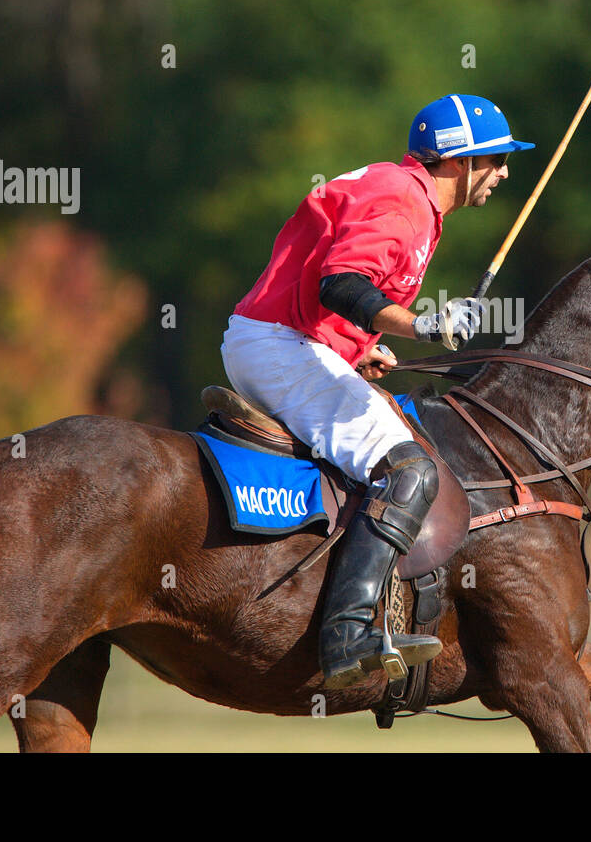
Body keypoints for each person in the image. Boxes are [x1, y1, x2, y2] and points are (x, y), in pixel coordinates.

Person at [221, 94, 534, 689]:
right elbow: (341, 283)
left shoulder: (403, 193)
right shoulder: (405, 200)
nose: (505, 172)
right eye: (496, 159)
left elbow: (324, 285)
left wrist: (361, 348)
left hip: (284, 339)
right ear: (460, 161)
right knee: (411, 471)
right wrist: (423, 325)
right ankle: (348, 633)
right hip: (278, 344)